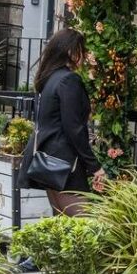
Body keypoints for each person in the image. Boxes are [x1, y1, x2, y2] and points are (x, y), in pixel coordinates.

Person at [31, 28, 105, 215]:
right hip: (65, 163)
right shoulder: (68, 80)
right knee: (87, 224)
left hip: (49, 160)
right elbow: (74, 129)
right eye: (81, 50)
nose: (83, 56)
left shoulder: (49, 78)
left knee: (61, 223)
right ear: (72, 52)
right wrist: (94, 166)